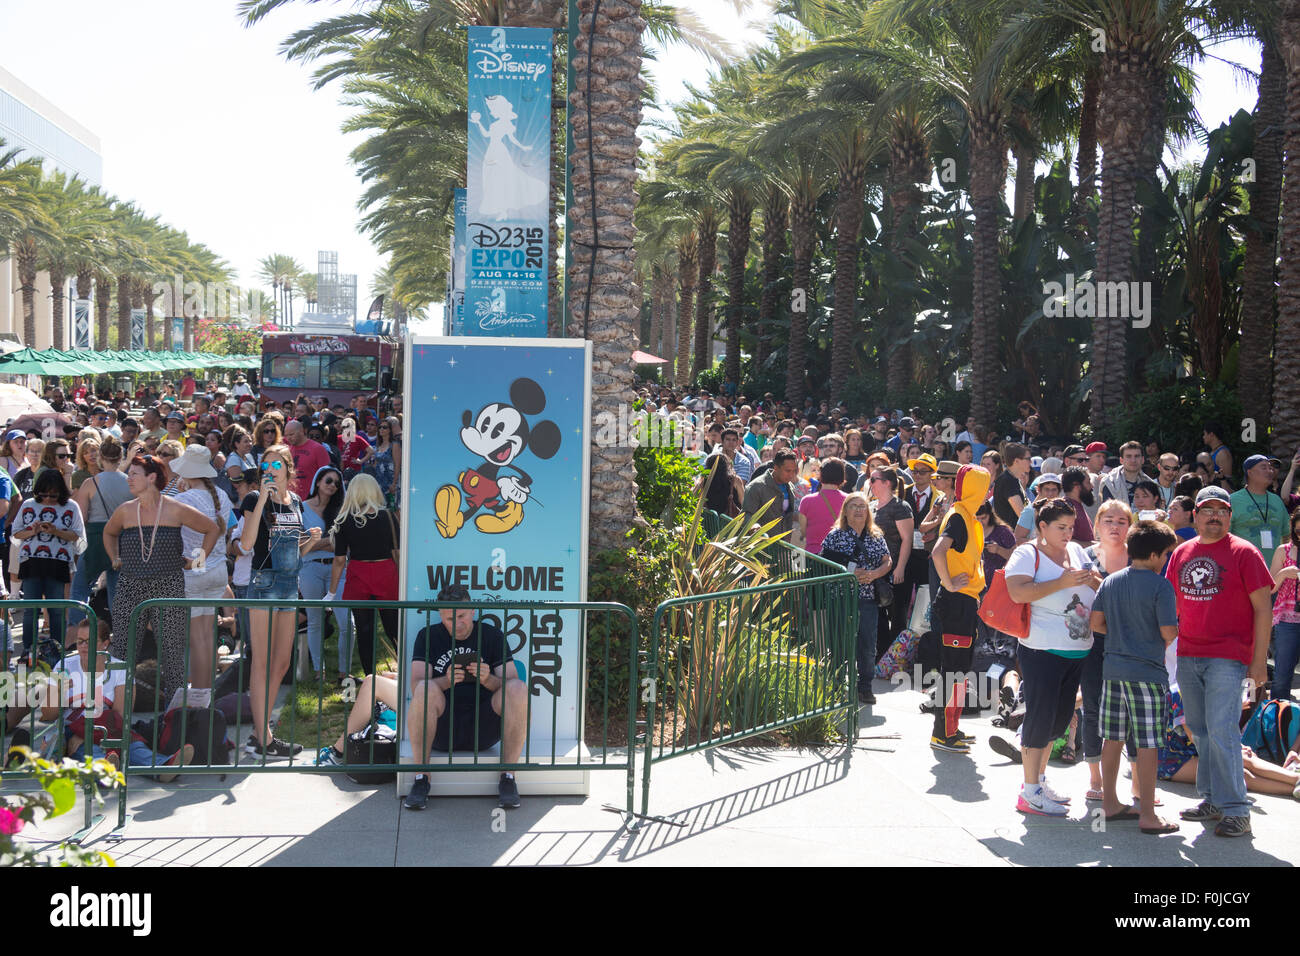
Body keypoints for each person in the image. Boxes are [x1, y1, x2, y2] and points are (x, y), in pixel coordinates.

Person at [1165, 486, 1272, 837]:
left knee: (1223, 730)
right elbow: (1173, 605)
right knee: (1201, 730)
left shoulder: (1245, 552)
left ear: (1230, 515)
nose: (1214, 515)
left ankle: (1237, 809)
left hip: (1228, 657)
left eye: (1221, 510)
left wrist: (1259, 663)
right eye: (1207, 510)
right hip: (1188, 654)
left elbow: (1263, 609)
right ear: (1194, 515)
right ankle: (1212, 799)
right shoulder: (1182, 552)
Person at [1004, 498, 1102, 815]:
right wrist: (1061, 581)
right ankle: (1029, 791)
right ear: (1042, 526)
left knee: (1057, 722)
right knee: (1039, 718)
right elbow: (1018, 592)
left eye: (1071, 527)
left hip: (1076, 650)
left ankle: (1039, 781)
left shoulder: (1076, 551)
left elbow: (1094, 584)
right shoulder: (1027, 552)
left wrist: (1094, 581)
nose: (1067, 533)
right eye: (1061, 527)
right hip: (1041, 650)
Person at [103, 454, 221, 707]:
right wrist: (115, 557)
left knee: (172, 655)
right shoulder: (125, 510)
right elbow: (109, 532)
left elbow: (212, 528)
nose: (129, 478)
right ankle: (116, 718)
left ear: (152, 477)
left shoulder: (174, 507)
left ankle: (173, 721)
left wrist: (197, 561)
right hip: (130, 586)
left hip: (168, 586)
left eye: (134, 474)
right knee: (122, 652)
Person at [1089, 519, 1182, 833]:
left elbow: (1096, 624)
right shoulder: (1161, 585)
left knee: (1112, 739)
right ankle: (1147, 813)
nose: (1167, 560)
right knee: (1148, 744)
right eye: (1167, 554)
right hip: (1148, 673)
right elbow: (1168, 630)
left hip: (1113, 670)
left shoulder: (1111, 581)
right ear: (1156, 555)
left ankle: (1110, 802)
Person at [404, 584, 528, 811]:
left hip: (484, 727)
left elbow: (512, 683)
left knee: (518, 689)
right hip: (442, 729)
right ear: (441, 616)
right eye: (449, 619)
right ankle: (422, 778)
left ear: (473, 611)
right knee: (425, 688)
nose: (457, 623)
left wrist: (487, 679)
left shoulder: (492, 635)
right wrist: (446, 681)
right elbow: (415, 687)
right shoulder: (428, 635)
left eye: (462, 616)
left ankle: (508, 777)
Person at [237, 445, 319, 758]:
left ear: (287, 468)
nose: (269, 469)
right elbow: (246, 544)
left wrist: (310, 540)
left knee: (282, 662)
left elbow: (294, 555)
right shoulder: (252, 499)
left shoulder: (295, 501)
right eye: (265, 465)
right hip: (263, 583)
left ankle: (260, 734)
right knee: (262, 661)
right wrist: (260, 499)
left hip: (289, 584)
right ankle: (264, 736)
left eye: (275, 464)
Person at [929, 464, 991, 753]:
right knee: (953, 669)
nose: (988, 492)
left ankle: (950, 729)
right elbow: (937, 551)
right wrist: (949, 583)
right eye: (984, 487)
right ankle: (942, 733)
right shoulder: (958, 517)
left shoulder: (966, 516)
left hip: (965, 602)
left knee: (960, 669)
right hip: (956, 602)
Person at [1078, 499, 1133, 795]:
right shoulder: (1084, 557)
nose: (1114, 526)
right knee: (1092, 706)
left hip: (1129, 641)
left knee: (1132, 709)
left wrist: (1102, 585)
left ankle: (1138, 781)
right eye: (1108, 520)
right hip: (1091, 640)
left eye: (1121, 521)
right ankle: (1095, 778)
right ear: (1097, 524)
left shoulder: (1138, 558)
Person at [820, 492, 891, 705]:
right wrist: (849, 573)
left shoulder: (876, 536)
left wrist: (874, 574)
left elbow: (887, 561)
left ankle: (865, 686)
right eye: (854, 506)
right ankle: (837, 685)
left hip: (868, 598)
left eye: (863, 506)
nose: (859, 510)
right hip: (841, 597)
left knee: (867, 644)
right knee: (839, 642)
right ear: (845, 511)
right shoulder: (835, 535)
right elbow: (824, 563)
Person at [11, 469, 87, 663]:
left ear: (61, 492)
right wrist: (32, 531)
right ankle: (28, 650)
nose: (47, 499)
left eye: (52, 495)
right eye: (43, 494)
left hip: (58, 563)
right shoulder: (29, 504)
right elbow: (16, 533)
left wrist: (56, 531)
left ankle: (57, 650)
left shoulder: (71, 506)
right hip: (31, 562)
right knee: (30, 609)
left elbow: (76, 535)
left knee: (57, 610)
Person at [171, 446, 231, 690]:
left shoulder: (182, 499)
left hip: (194, 569)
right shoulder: (222, 496)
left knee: (198, 639)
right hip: (217, 569)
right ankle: (206, 692)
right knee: (206, 637)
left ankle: (200, 693)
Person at [328, 474, 399, 677]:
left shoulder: (343, 520)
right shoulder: (388, 516)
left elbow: (339, 559)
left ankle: (370, 678)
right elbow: (397, 551)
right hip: (386, 572)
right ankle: (404, 672)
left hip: (359, 573)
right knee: (393, 627)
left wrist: (331, 592)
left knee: (364, 631)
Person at [300, 465, 354, 683]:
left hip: (338, 568)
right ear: (318, 483)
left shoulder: (342, 510)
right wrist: (327, 542)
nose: (332, 485)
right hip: (310, 568)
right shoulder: (302, 508)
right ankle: (318, 671)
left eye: (336, 482)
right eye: (328, 481)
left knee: (347, 622)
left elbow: (344, 546)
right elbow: (299, 544)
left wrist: (315, 542)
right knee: (314, 621)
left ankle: (344, 672)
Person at [69, 437, 131, 621]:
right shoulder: (130, 483)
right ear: (121, 457)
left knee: (80, 589)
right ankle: (121, 637)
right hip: (123, 539)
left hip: (95, 540)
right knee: (117, 594)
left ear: (100, 458)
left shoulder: (90, 483)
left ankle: (76, 634)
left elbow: (81, 517)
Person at [867, 467, 914, 652]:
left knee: (897, 617)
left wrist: (900, 567)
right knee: (877, 617)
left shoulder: (900, 507)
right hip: (874, 572)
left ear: (887, 483)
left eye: (873, 479)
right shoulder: (870, 506)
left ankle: (896, 659)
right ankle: (880, 656)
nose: (870, 483)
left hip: (895, 570)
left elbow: (907, 539)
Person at [1230, 455, 1289, 566]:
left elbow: (1287, 535)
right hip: (1244, 569)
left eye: (1270, 467)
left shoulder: (1277, 500)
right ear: (1250, 472)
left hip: (1274, 572)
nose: (1270, 471)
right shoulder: (1233, 500)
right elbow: (1225, 536)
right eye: (1264, 467)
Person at [1269, 507, 1300, 703]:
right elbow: (1270, 587)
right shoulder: (1284, 550)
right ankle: (1276, 720)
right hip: (1288, 619)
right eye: (1298, 531)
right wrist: (1283, 574)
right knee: (1282, 675)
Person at [742, 449, 799, 538]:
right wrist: (753, 526)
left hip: (782, 545)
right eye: (788, 471)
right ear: (776, 468)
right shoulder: (756, 487)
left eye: (794, 471)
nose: (791, 475)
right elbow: (746, 514)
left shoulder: (790, 487)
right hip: (761, 545)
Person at [798, 458, 848, 554]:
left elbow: (803, 531)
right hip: (840, 554)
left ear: (821, 474)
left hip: (814, 555)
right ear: (842, 476)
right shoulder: (849, 500)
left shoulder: (806, 501)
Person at [283, 420, 332, 499]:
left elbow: (327, 475)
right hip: (291, 500)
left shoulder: (318, 449)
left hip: (312, 500)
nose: (288, 438)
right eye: (286, 435)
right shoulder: (287, 451)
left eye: (291, 434)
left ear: (302, 431)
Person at [365, 417, 401, 509]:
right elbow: (376, 464)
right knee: (381, 507)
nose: (381, 429)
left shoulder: (394, 444)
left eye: (384, 427)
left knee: (394, 508)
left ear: (390, 430)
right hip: (379, 481)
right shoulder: (378, 446)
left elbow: (397, 464)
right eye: (380, 427)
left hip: (391, 480)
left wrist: (394, 483)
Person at [696, 452, 743, 517]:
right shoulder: (735, 480)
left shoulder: (703, 481)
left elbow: (695, 498)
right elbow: (744, 502)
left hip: (709, 522)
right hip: (730, 522)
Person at [993, 443, 1029, 527]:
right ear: (1016, 461)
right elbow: (1022, 515)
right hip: (1009, 535)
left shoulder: (1014, 479)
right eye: (1027, 459)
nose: (1030, 462)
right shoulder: (1008, 481)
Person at [1202, 422, 1234, 488]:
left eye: (1204, 434)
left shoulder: (1223, 454)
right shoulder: (1213, 452)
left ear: (1211, 434)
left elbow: (1228, 479)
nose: (1203, 437)